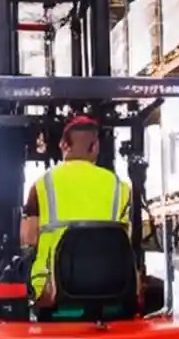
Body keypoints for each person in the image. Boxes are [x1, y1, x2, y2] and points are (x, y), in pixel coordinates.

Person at [20, 116, 131, 308]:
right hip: (113, 286)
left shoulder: (42, 185)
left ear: (63, 144)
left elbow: (28, 238)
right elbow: (127, 239)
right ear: (95, 146)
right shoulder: (120, 187)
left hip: (51, 292)